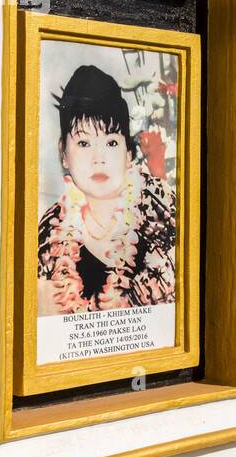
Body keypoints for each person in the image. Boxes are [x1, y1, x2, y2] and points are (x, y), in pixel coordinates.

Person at [37, 64, 175, 315]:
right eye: (84, 142)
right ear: (64, 154)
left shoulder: (162, 207)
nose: (98, 158)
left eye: (111, 142)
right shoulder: (49, 234)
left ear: (129, 153)